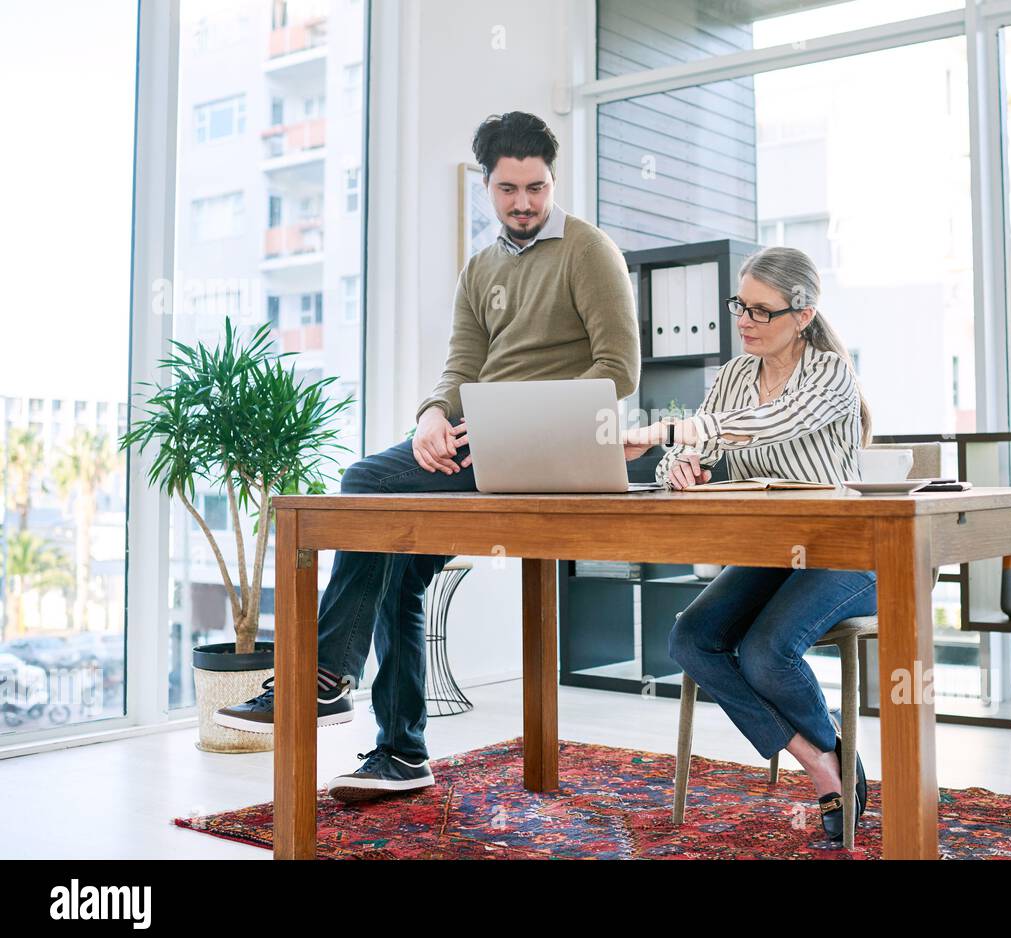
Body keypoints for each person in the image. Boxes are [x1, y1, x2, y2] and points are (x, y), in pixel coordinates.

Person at [215, 112, 640, 801]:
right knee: (398, 569)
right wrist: (433, 419)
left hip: (546, 450)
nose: (525, 202)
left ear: (551, 180)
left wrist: (516, 415)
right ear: (487, 186)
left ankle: (323, 673)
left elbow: (618, 371)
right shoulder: (480, 267)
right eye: (509, 189)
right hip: (477, 445)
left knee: (362, 481)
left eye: (536, 186)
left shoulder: (588, 251)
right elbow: (460, 368)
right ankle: (402, 752)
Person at [622, 245, 875, 841]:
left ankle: (833, 777)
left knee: (765, 650)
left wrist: (665, 431)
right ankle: (825, 759)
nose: (745, 321)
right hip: (770, 553)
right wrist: (678, 465)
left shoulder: (830, 375)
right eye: (742, 305)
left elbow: (771, 422)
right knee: (690, 637)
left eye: (763, 311)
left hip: (847, 553)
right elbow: (695, 450)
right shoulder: (733, 376)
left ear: (804, 314)